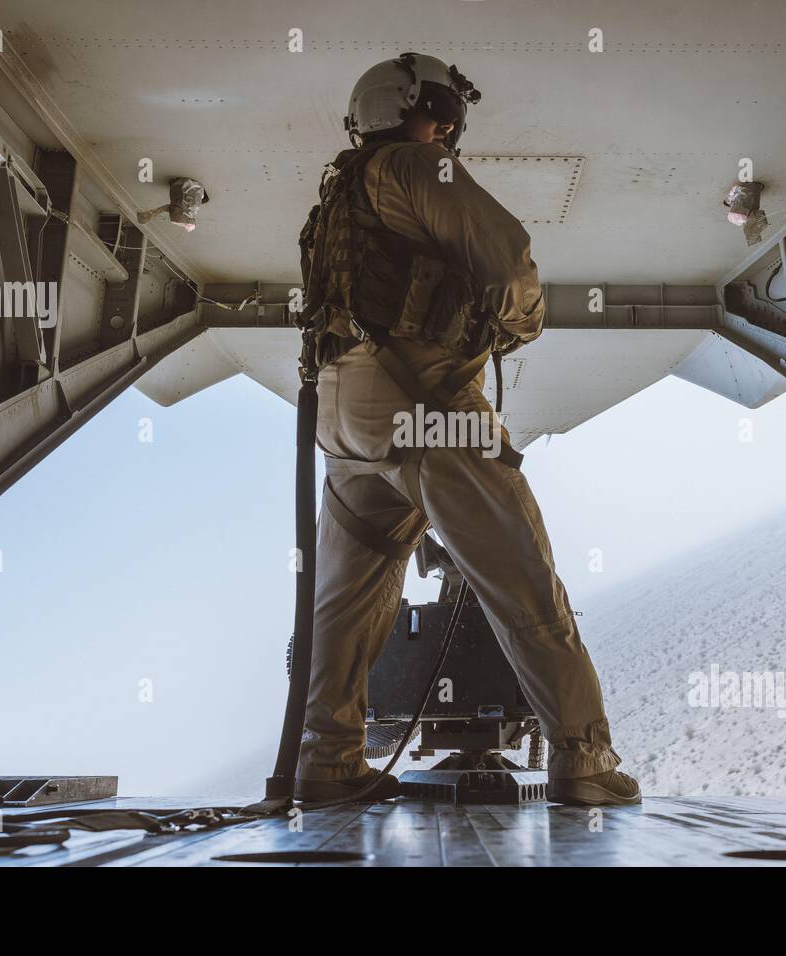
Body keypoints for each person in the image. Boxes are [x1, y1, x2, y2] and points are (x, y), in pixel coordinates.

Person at [294, 52, 639, 807]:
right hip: (422, 402)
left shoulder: (338, 195)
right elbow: (510, 261)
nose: (450, 128)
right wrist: (518, 324)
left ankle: (327, 762)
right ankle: (583, 760)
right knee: (520, 573)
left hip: (340, 417)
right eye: (442, 111)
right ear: (413, 109)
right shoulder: (420, 168)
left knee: (345, 602)